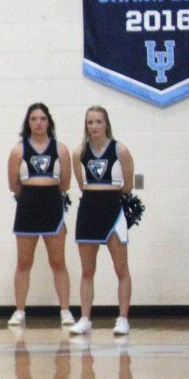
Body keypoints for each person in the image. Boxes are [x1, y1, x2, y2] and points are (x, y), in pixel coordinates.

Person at [71, 106, 136, 337]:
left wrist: (111, 193)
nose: (94, 126)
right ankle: (86, 318)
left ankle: (122, 318)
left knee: (121, 268)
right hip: (89, 209)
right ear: (86, 126)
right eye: (90, 122)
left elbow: (128, 184)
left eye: (98, 121)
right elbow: (81, 184)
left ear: (106, 124)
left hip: (113, 210)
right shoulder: (79, 152)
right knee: (87, 270)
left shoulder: (121, 150)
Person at [8, 102, 74, 329]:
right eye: (34, 118)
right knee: (23, 263)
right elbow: (13, 185)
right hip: (27, 207)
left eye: (43, 118)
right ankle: (19, 312)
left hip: (52, 206)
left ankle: (65, 311)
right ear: (28, 122)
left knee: (58, 262)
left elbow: (65, 183)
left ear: (49, 122)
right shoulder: (18, 150)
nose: (38, 122)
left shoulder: (61, 149)